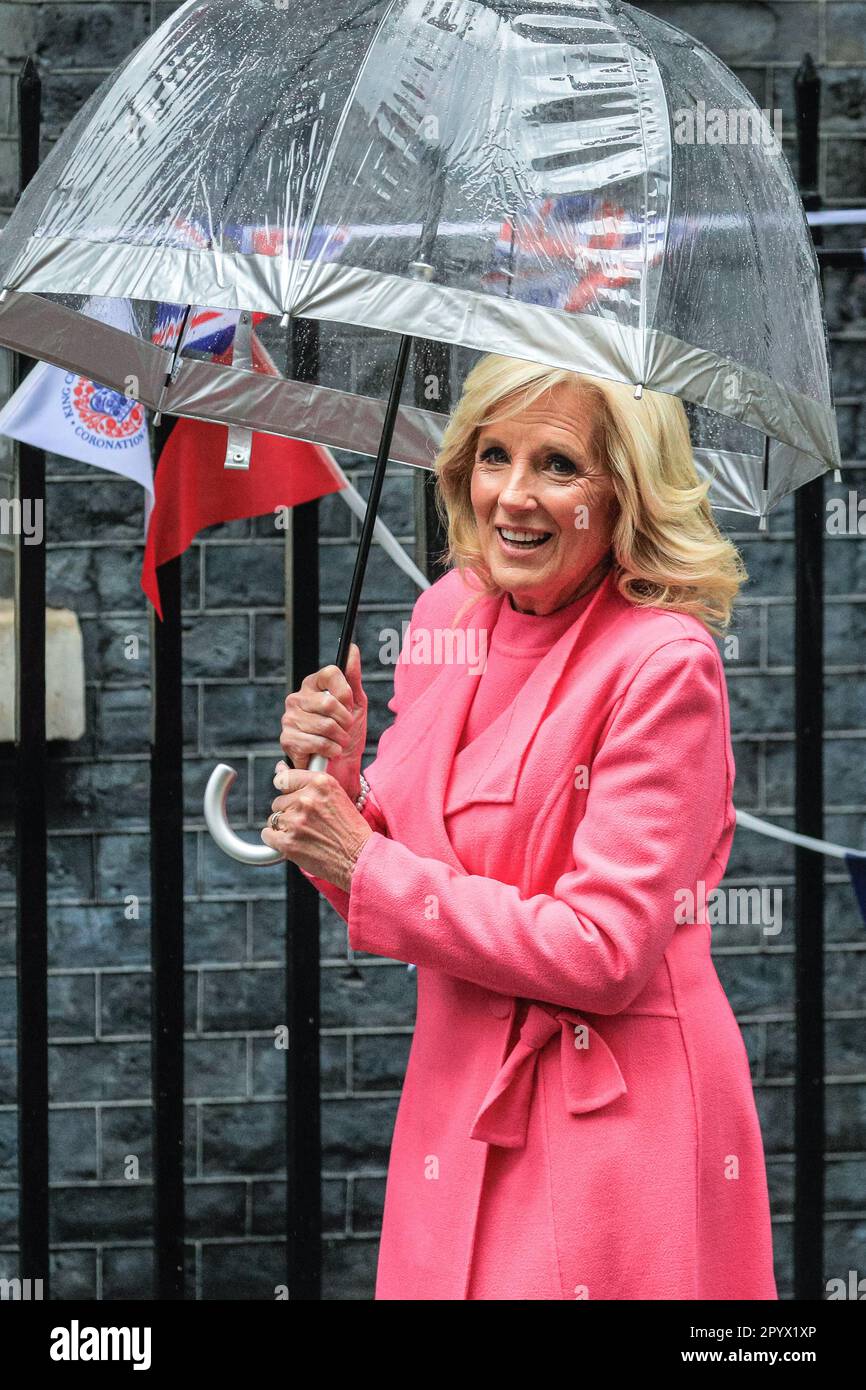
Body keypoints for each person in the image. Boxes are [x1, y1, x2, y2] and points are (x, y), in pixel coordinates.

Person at [261, 352, 779, 1301]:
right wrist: (339, 789)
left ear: (623, 489)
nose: (514, 496)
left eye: (558, 465)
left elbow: (605, 949)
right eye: (494, 454)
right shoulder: (446, 614)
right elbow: (404, 866)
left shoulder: (666, 665)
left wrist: (365, 860)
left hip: (614, 1115)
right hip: (457, 1099)